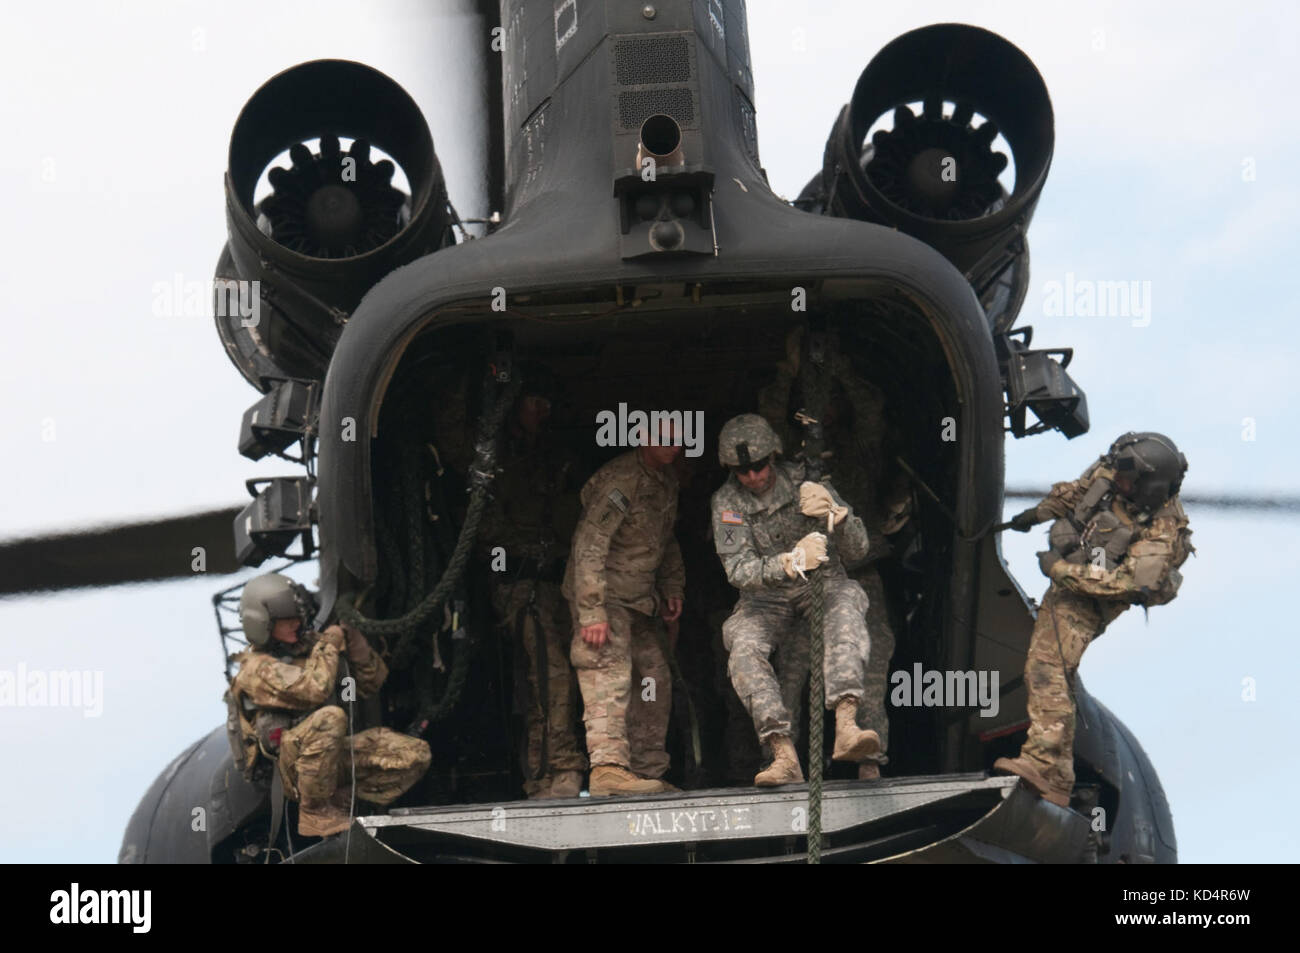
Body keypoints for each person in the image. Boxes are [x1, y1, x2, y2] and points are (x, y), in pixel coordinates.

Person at [996, 432, 1193, 806]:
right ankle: (1057, 779)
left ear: (1148, 488)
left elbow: (1126, 584)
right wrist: (1038, 513)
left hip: (1099, 594)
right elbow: (1078, 491)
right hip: (1080, 566)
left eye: (1127, 480)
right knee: (1054, 666)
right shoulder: (1118, 468)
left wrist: (1060, 571)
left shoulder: (1161, 533)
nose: (1118, 481)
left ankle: (1041, 763)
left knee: (1047, 668)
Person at [758, 331, 909, 780]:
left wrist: (838, 365)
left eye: (830, 402)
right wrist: (788, 372)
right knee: (790, 672)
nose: (822, 410)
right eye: (813, 405)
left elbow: (871, 409)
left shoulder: (858, 449)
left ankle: (868, 758)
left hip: (859, 573)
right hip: (802, 579)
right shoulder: (788, 457)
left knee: (870, 660)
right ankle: (782, 761)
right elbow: (766, 420)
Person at [710, 413, 880, 786]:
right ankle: (782, 753)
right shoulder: (727, 503)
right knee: (742, 644)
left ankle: (847, 725)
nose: (752, 476)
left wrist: (838, 518)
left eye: (758, 465)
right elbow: (738, 570)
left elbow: (859, 549)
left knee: (847, 604)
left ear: (773, 455)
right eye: (742, 470)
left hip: (821, 584)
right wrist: (789, 563)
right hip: (765, 599)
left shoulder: (809, 480)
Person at [226, 573, 431, 837]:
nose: (296, 624)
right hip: (290, 769)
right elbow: (314, 688)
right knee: (330, 718)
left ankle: (339, 800)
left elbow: (372, 683)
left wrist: (354, 640)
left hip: (327, 760)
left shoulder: (310, 648)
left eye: (297, 617)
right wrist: (330, 644)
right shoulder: (255, 670)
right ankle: (313, 813)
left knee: (414, 756)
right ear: (263, 624)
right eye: (286, 620)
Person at [477, 370, 588, 798]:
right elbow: (486, 527)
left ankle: (542, 774)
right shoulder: (495, 457)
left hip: (556, 583)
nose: (542, 412)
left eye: (547, 405)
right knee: (551, 674)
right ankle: (562, 767)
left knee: (553, 677)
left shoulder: (555, 457)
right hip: (520, 585)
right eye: (534, 402)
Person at [563, 419, 686, 796]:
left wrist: (672, 586)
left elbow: (665, 539)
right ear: (643, 438)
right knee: (608, 674)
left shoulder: (665, 481)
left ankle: (647, 769)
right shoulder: (621, 480)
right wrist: (591, 611)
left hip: (640, 602)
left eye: (678, 440)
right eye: (665, 439)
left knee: (652, 679)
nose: (674, 447)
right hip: (606, 598)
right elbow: (590, 544)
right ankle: (608, 768)